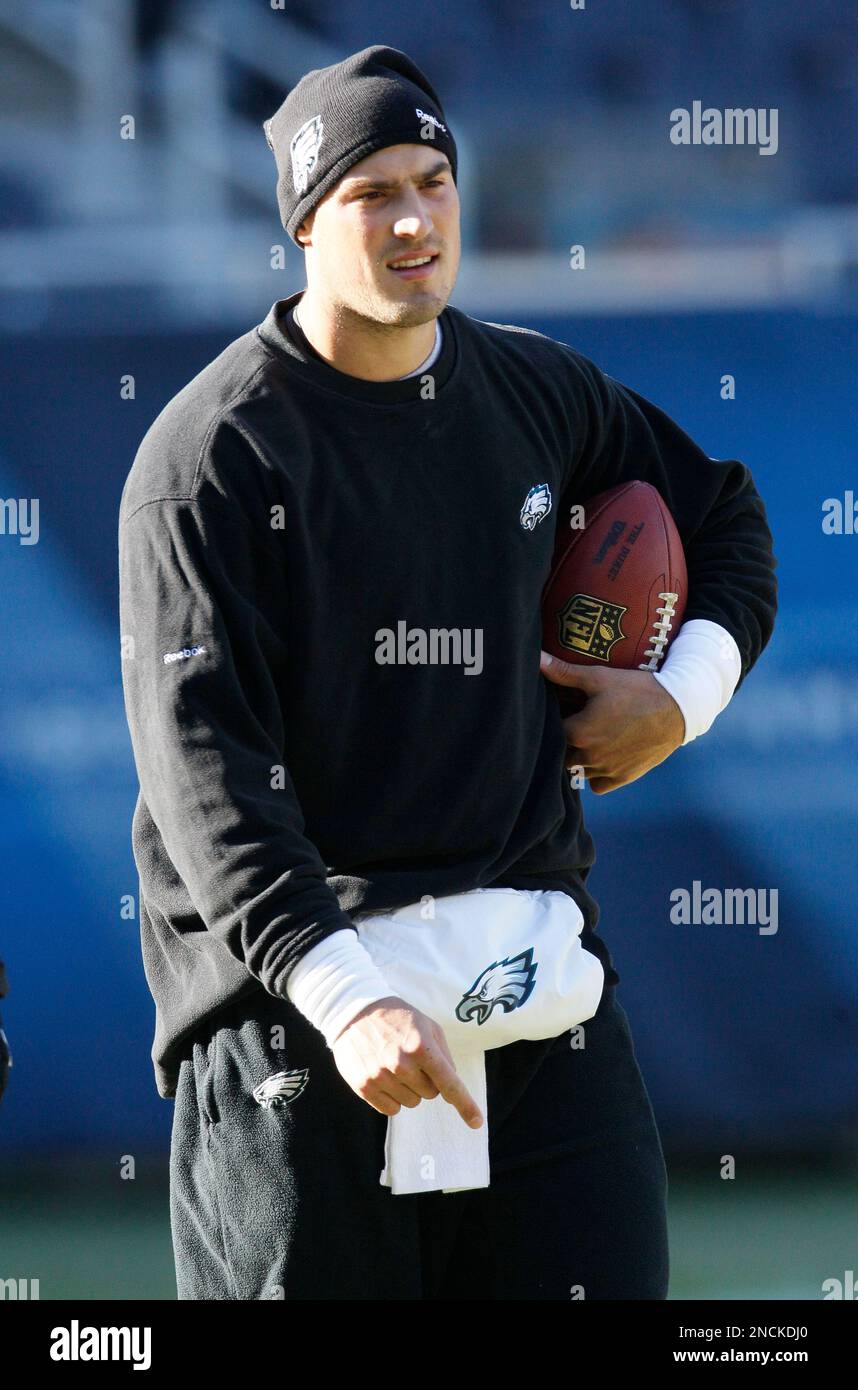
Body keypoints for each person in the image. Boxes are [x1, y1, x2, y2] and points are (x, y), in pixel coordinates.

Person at [118, 45, 777, 1300]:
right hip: (300, 1030)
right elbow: (208, 782)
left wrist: (676, 702)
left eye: (435, 181)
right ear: (307, 225)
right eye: (374, 194)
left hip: (536, 1010)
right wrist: (346, 995)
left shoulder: (534, 389)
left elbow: (728, 519)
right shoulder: (209, 460)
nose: (416, 218)